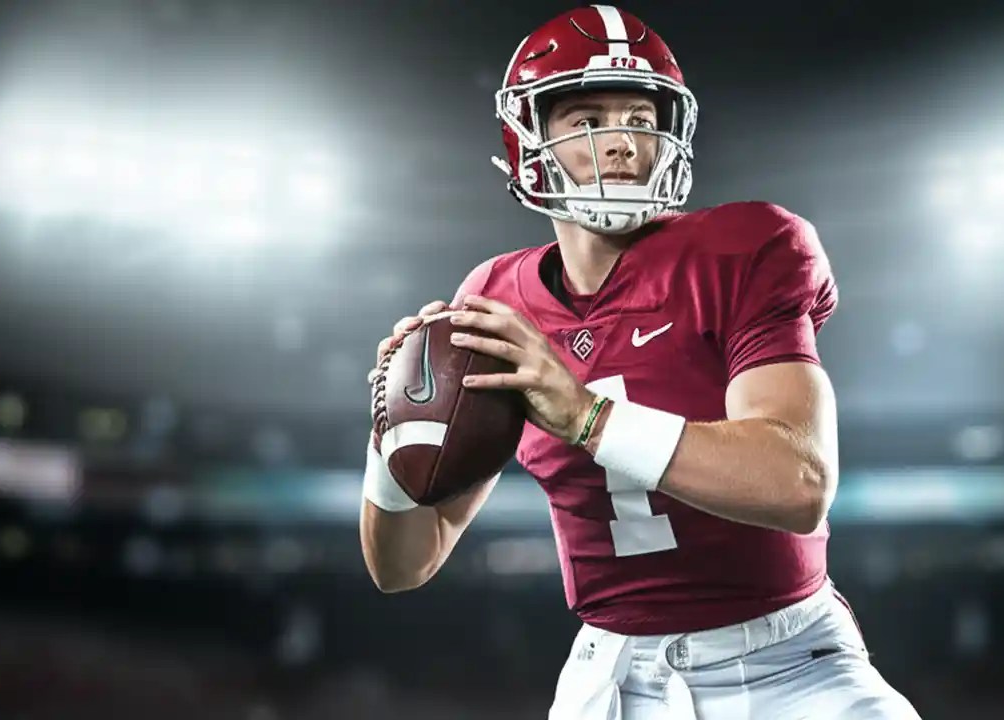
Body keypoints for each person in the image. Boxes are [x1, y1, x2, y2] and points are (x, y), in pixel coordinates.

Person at [359, 5, 920, 719]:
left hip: (787, 667)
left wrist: (588, 416)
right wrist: (392, 434)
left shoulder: (745, 249)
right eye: (587, 121)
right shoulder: (494, 297)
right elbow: (404, 563)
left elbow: (799, 480)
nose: (622, 142)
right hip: (611, 673)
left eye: (639, 117)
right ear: (530, 139)